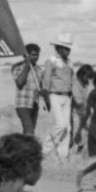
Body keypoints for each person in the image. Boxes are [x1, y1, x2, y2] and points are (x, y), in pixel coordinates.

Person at [40, 34, 76, 162]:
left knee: (67, 128)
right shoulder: (51, 61)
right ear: (59, 48)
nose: (68, 51)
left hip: (67, 97)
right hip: (54, 96)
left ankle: (63, 157)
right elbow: (46, 82)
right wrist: (46, 100)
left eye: (69, 48)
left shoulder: (70, 63)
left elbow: (72, 80)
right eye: (65, 48)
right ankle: (45, 150)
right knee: (60, 125)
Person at [11, 44, 42, 135]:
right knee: (29, 131)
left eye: (37, 55)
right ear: (26, 55)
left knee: (28, 131)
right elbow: (19, 83)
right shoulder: (18, 68)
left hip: (34, 105)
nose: (35, 57)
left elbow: (40, 87)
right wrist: (27, 66)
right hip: (23, 104)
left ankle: (22, 148)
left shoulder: (39, 70)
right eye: (33, 55)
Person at [71, 64, 96, 155]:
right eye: (87, 77)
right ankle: (75, 152)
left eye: (90, 78)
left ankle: (84, 151)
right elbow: (78, 101)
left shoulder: (87, 84)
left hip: (85, 111)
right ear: (82, 75)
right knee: (78, 131)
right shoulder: (74, 82)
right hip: (76, 111)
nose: (89, 80)